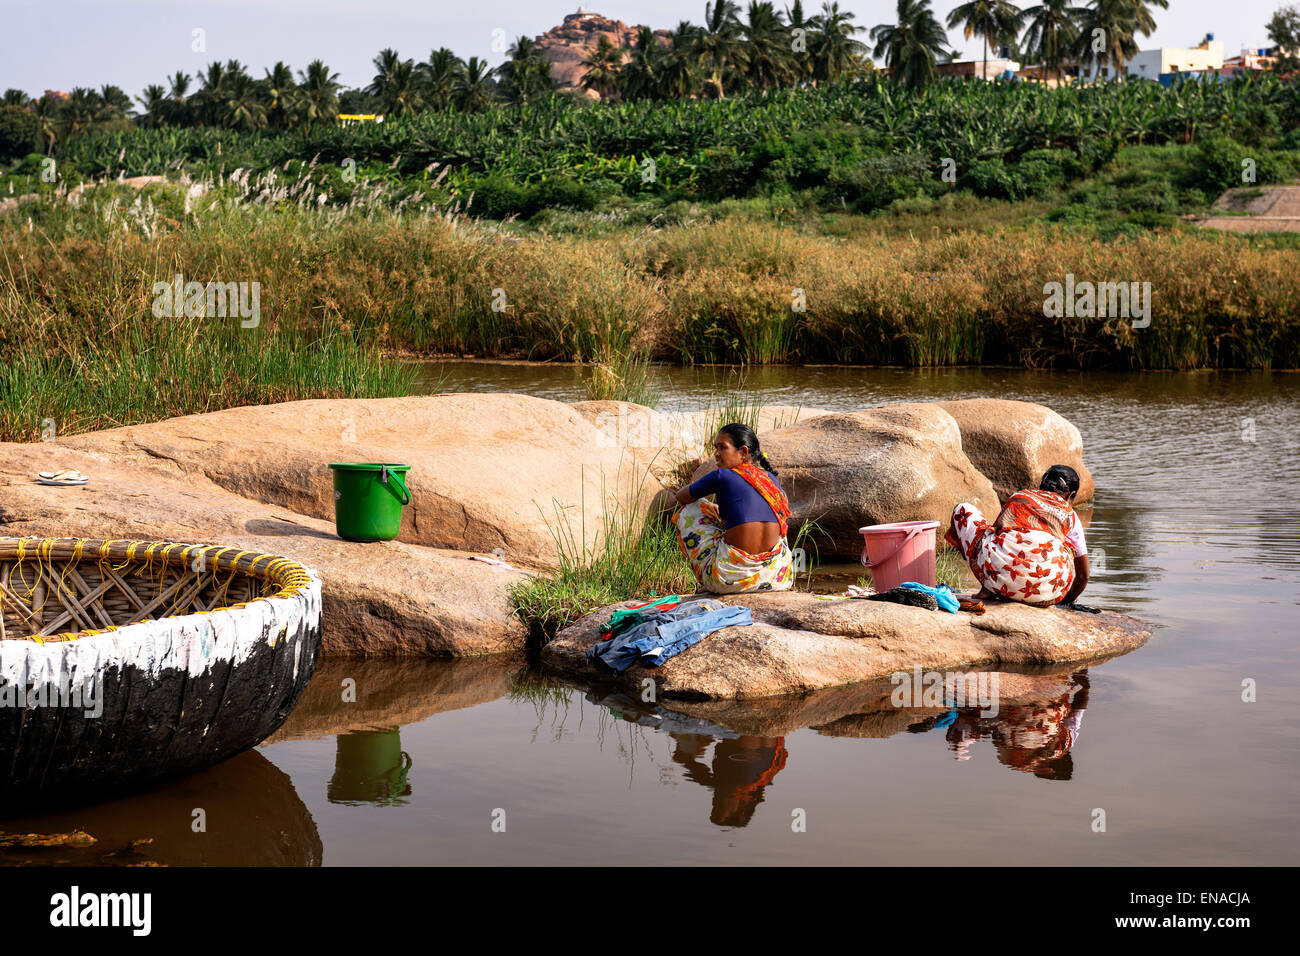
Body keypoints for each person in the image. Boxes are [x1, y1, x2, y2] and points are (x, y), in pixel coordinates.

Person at [671, 423, 794, 593]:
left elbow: (681, 497)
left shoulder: (722, 475)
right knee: (779, 518)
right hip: (777, 577)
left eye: (722, 448)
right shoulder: (770, 479)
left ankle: (709, 581)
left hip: (727, 580)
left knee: (692, 507)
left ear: (743, 452)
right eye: (716, 447)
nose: (716, 453)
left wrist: (709, 507)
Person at [945, 464, 1090, 607]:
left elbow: (993, 534)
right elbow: (1084, 576)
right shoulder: (1071, 515)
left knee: (963, 510)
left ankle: (987, 588)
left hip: (998, 582)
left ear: (1042, 485)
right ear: (1070, 495)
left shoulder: (1020, 497)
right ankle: (1044, 594)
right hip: (1047, 593)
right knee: (1066, 549)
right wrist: (1066, 601)